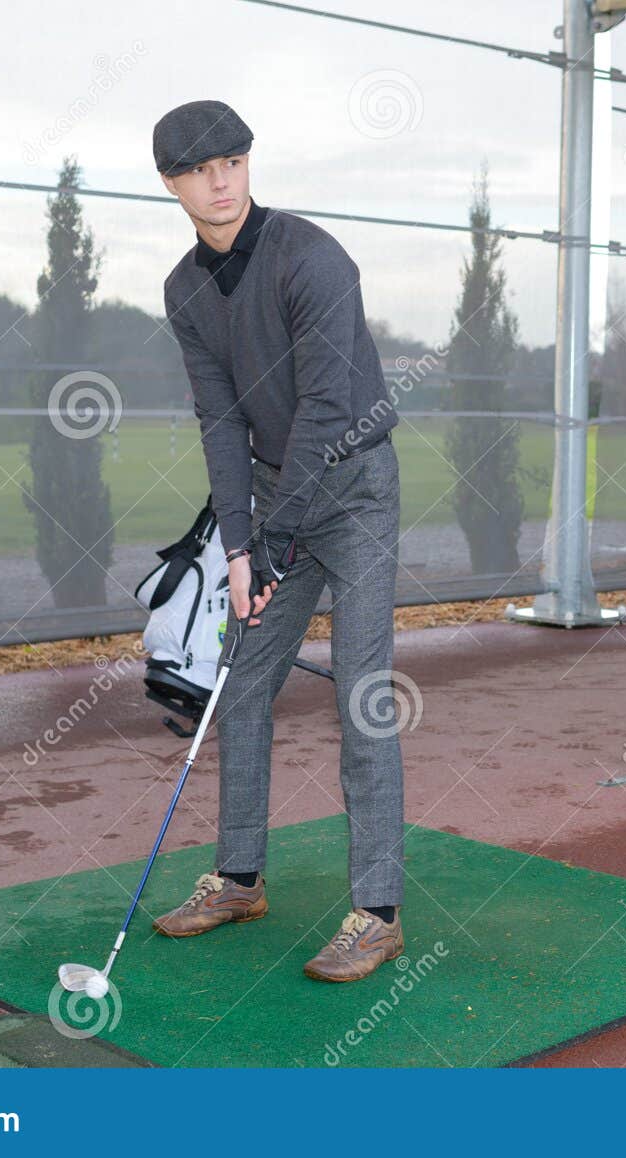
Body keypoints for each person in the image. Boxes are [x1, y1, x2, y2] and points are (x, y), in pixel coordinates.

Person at [148, 99, 406, 981]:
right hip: (271, 499)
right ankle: (241, 876)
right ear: (172, 185)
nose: (219, 181)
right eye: (197, 169)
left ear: (248, 164)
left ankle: (376, 911)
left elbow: (332, 412)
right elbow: (220, 421)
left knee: (364, 695)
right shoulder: (186, 291)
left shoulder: (313, 259)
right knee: (241, 685)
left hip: (356, 490)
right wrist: (236, 546)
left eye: (232, 161)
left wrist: (279, 537)